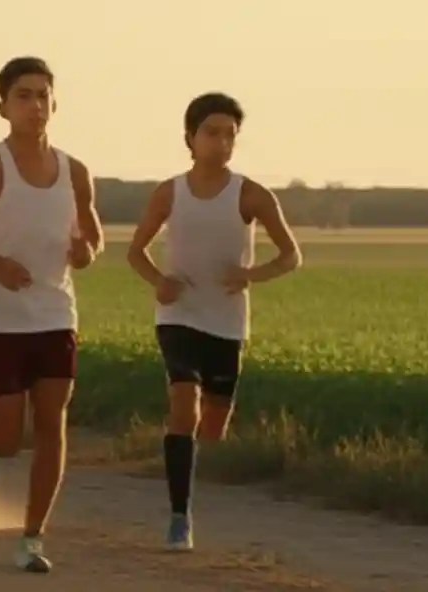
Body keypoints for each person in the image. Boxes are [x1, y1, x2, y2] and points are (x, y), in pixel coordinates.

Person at [0, 56, 103, 574]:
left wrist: (83, 253)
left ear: (55, 103)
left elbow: (91, 240)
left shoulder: (75, 171)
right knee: (5, 442)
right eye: (23, 96)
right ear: (3, 106)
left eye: (43, 95)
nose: (35, 105)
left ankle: (32, 537)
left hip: (55, 313)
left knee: (52, 423)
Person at [126, 92, 302, 552]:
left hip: (226, 323)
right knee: (184, 405)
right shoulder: (170, 192)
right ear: (190, 137)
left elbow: (290, 255)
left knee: (213, 427)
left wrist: (249, 275)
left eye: (230, 135)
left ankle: (184, 461)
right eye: (212, 132)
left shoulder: (251, 195)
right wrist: (158, 281)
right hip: (178, 315)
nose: (221, 142)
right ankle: (180, 516)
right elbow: (135, 250)